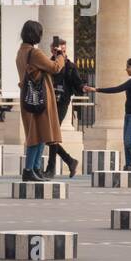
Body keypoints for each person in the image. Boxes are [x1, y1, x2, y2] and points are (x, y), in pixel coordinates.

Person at [84, 57, 131, 176]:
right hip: (130, 115)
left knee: (129, 141)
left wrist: (96, 89)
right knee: (126, 142)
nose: (126, 69)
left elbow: (117, 89)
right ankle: (128, 166)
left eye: (128, 67)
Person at [16, 20, 66, 181]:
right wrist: (60, 57)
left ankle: (35, 169)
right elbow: (54, 68)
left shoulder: (21, 52)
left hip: (28, 97)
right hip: (40, 99)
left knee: (39, 134)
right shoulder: (35, 53)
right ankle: (30, 169)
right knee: (36, 135)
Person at [43, 36, 82, 178]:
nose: (59, 53)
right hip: (47, 102)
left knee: (52, 136)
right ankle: (70, 161)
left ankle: (51, 168)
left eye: (62, 50)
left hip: (61, 104)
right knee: (47, 136)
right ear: (52, 50)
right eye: (56, 50)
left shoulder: (70, 66)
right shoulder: (48, 63)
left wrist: (84, 87)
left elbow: (78, 84)